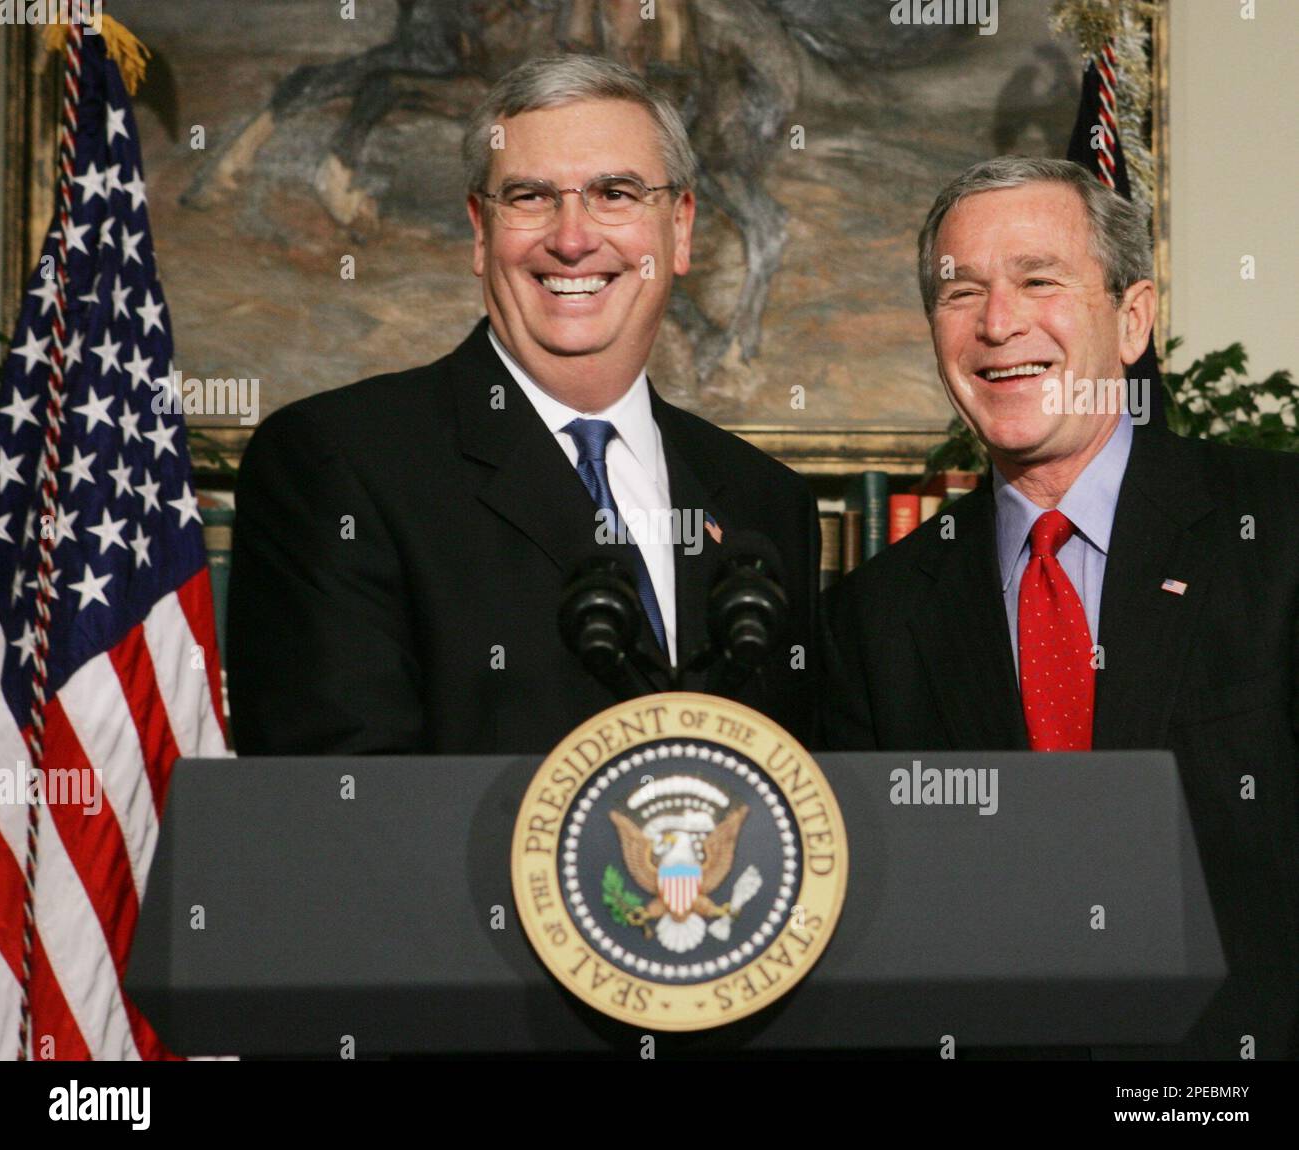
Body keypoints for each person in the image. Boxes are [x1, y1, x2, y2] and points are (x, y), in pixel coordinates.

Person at [824, 156, 1299, 1059]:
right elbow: (876, 936)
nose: (998, 324)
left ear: (1132, 320)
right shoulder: (873, 618)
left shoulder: (1276, 532)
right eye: (961, 292)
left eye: (1039, 280)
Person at [227, 54, 819, 756]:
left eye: (617, 194)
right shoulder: (336, 465)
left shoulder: (766, 502)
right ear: (481, 232)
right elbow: (344, 815)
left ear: (681, 229)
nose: (571, 239)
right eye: (532, 197)